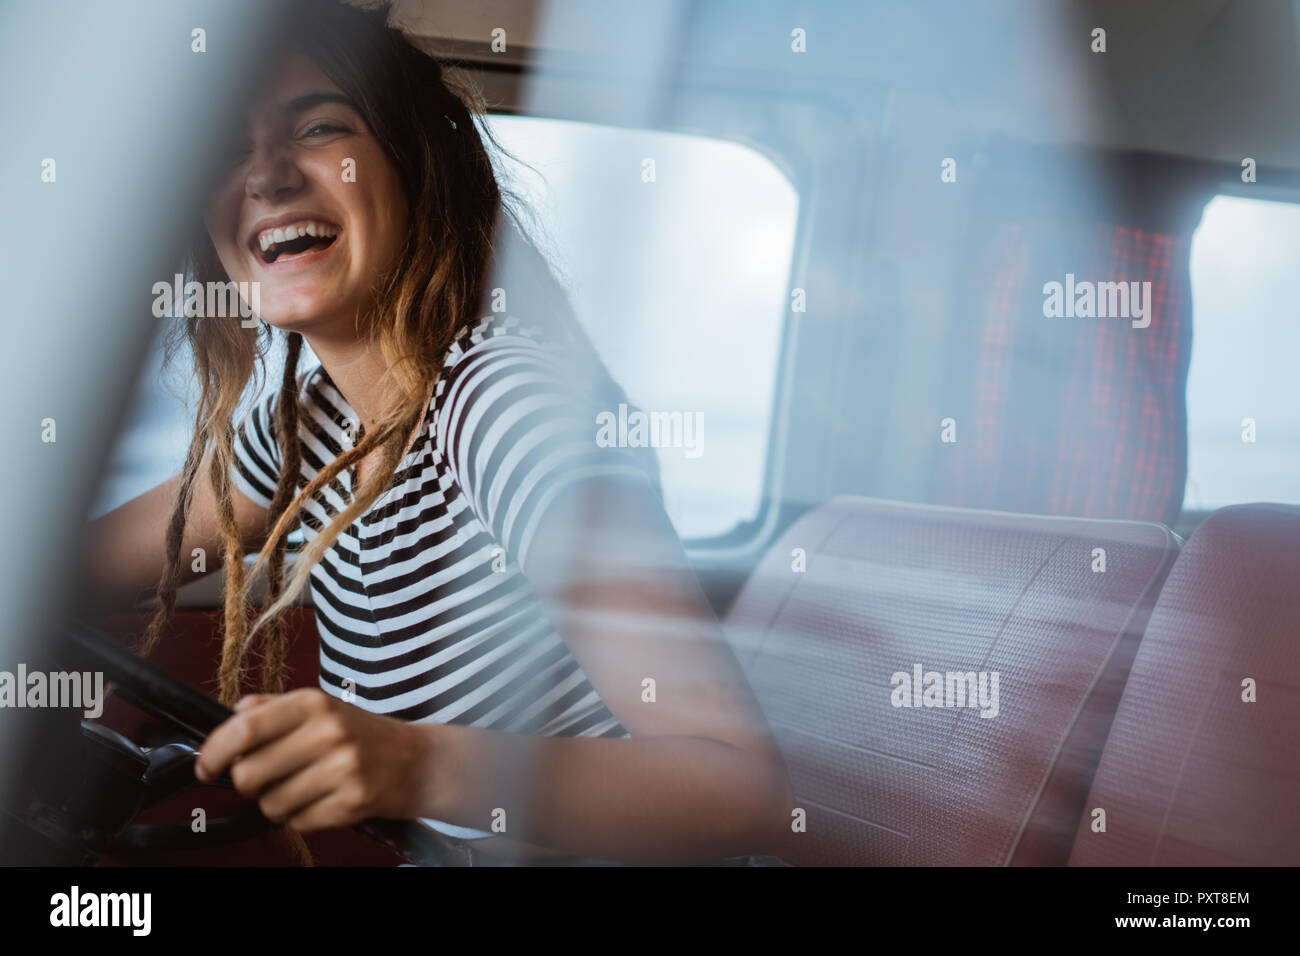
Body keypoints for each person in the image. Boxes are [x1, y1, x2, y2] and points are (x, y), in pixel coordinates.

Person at [83, 0, 792, 864]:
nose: (266, 176)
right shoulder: (310, 431)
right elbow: (69, 565)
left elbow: (740, 792)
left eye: (318, 128)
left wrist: (410, 762)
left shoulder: (503, 404)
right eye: (231, 150)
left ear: (418, 168)